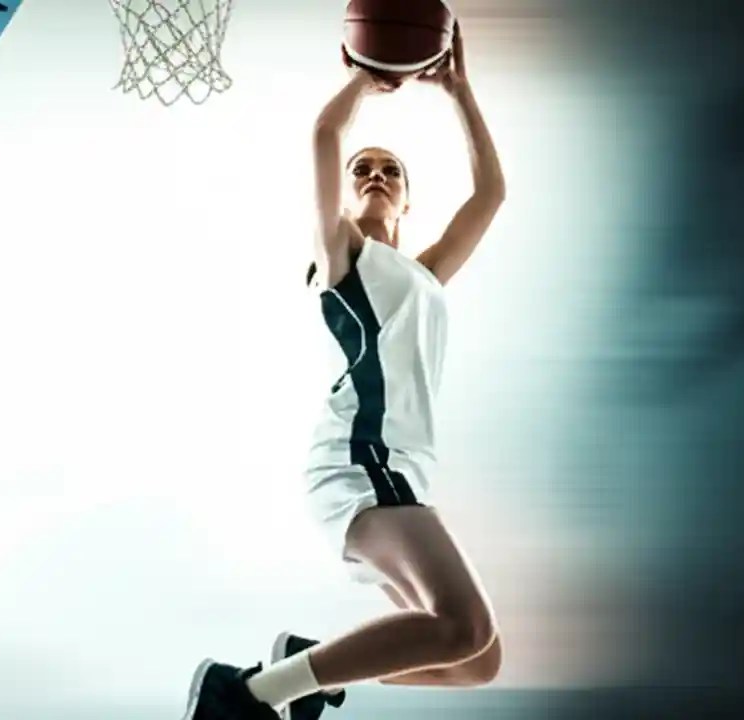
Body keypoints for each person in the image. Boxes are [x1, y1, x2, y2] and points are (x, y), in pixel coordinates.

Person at [182, 23, 507, 720]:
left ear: (410, 199)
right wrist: (368, 76)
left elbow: (489, 197)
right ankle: (244, 695)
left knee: (477, 662)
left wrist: (459, 90)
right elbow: (325, 137)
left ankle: (304, 661)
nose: (376, 176)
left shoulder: (421, 275)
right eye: (365, 169)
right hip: (362, 463)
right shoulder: (341, 256)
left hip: (398, 472)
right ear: (348, 192)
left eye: (391, 170)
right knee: (465, 629)